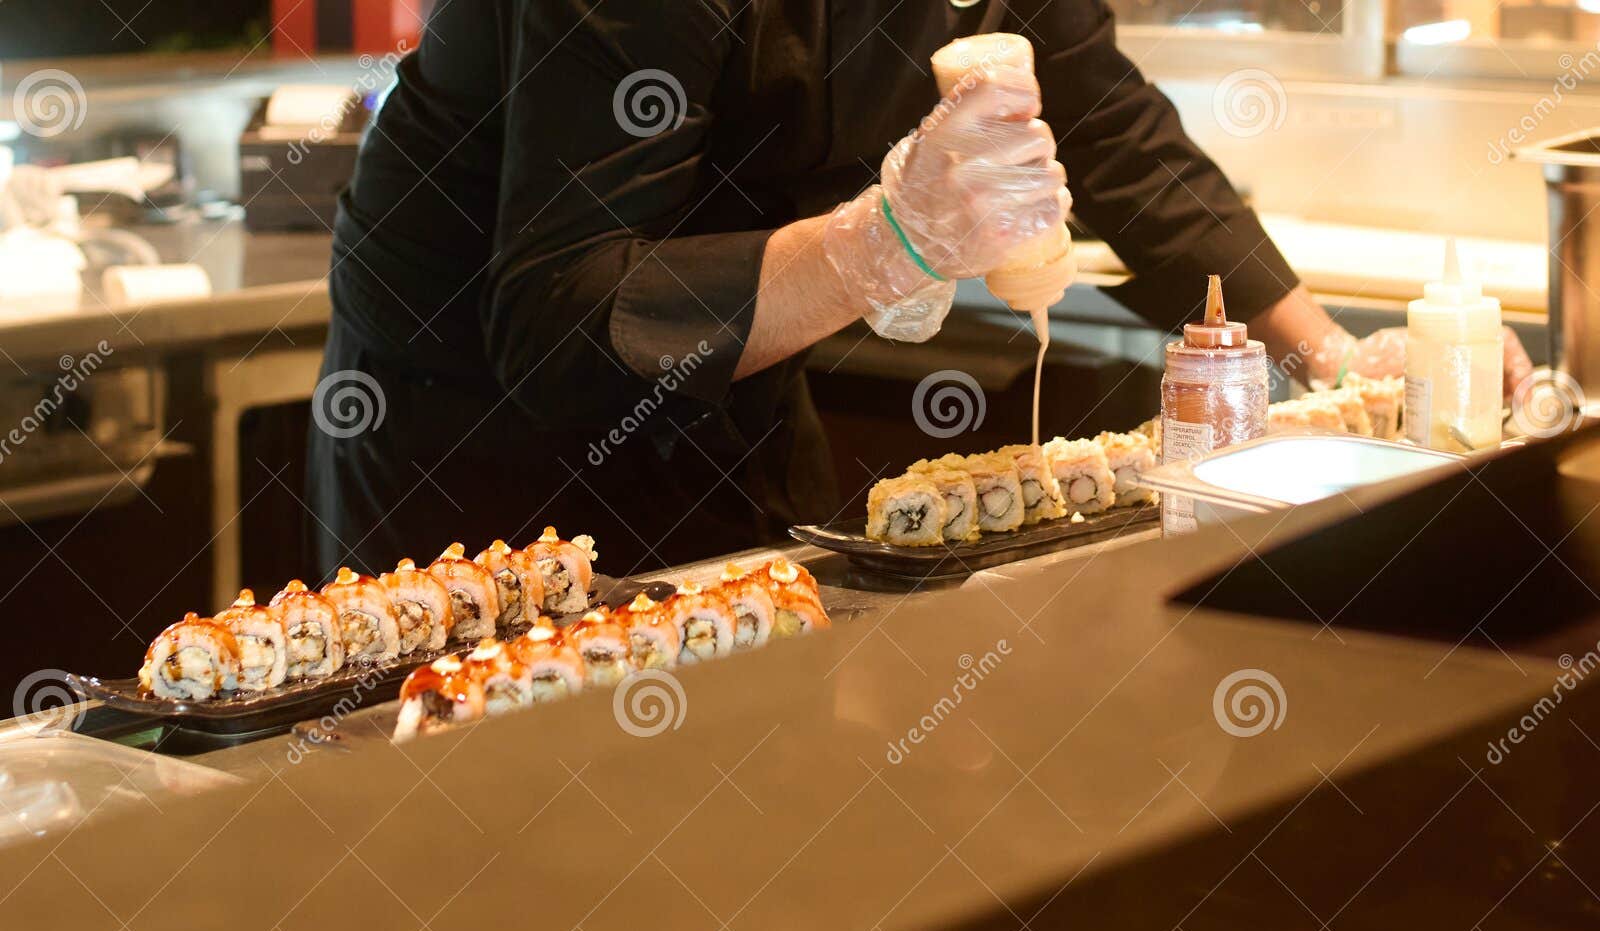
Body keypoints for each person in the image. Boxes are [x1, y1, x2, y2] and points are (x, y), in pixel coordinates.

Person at [310, 0, 1530, 578]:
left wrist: (1331, 353)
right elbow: (561, 316)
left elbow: (1112, 132)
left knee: (745, 805)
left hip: (731, 367)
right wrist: (880, 245)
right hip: (471, 421)